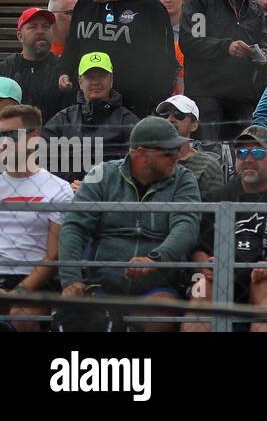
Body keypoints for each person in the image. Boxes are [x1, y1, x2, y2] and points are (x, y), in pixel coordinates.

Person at [56, 117, 199, 331]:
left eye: (178, 149)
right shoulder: (102, 174)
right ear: (141, 154)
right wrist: (71, 280)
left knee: (160, 316)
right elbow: (74, 227)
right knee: (72, 313)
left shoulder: (184, 178)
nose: (177, 156)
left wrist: (156, 258)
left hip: (156, 285)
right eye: (169, 152)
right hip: (101, 283)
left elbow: (186, 225)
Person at [184, 125, 267, 332]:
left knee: (266, 284)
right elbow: (198, 242)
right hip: (222, 274)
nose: (248, 158)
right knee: (201, 287)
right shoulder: (218, 196)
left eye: (258, 152)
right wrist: (204, 264)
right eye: (242, 153)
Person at [0, 103, 73, 331]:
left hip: (34, 278)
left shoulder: (57, 188)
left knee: (23, 316)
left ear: (34, 137)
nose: (3, 142)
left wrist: (18, 293)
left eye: (11, 135)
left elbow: (53, 254)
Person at [180, 0, 263, 140]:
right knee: (209, 151)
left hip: (242, 95)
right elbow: (190, 41)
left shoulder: (253, 6)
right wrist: (227, 47)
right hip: (206, 91)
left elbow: (264, 42)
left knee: (247, 150)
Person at [44, 51, 141, 176]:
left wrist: (96, 185)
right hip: (68, 192)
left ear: (111, 80)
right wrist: (67, 182)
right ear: (80, 82)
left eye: (101, 76)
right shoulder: (64, 118)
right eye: (90, 77)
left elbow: (136, 164)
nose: (96, 82)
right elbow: (42, 158)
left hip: (111, 193)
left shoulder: (128, 121)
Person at [0, 7, 70, 121]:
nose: (41, 31)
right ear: (20, 36)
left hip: (57, 136)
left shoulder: (64, 69)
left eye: (46, 26)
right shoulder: (6, 69)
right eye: (33, 26)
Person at [156, 95, 226, 197]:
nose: (170, 119)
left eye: (178, 114)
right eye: (165, 114)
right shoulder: (149, 158)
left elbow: (215, 210)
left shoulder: (207, 166)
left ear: (194, 125)